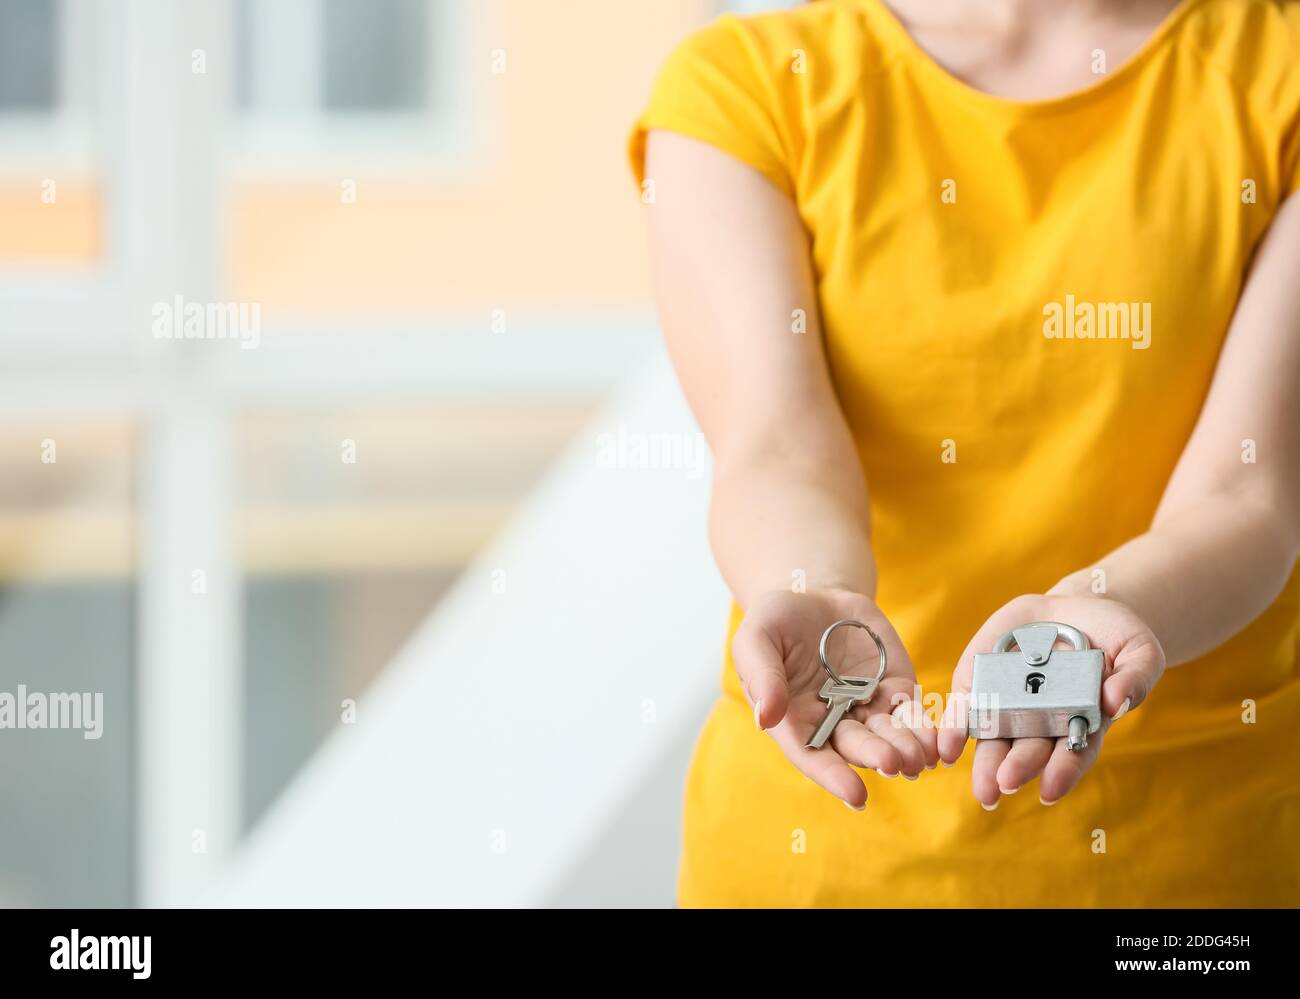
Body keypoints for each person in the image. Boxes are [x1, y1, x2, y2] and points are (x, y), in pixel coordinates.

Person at [628, 0, 1300, 906]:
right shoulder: (747, 84)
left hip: (1191, 874)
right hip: (818, 862)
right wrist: (815, 588)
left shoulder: (1278, 69)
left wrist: (1108, 612)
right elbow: (776, 441)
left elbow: (1253, 489)